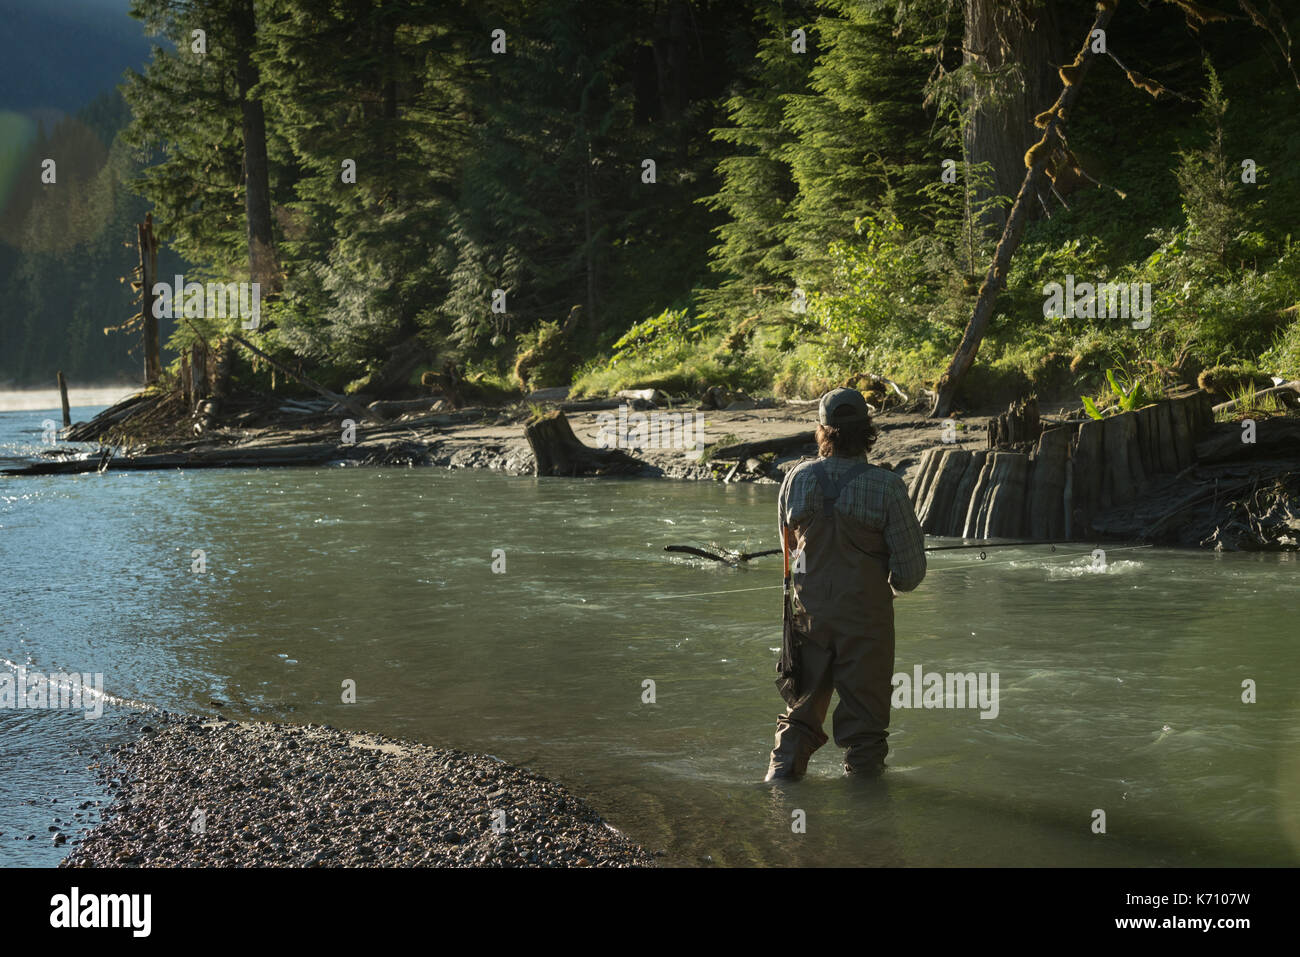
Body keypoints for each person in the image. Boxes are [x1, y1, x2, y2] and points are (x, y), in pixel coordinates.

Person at [766, 387, 926, 781]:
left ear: (823, 431)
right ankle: (866, 823)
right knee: (865, 736)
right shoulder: (888, 487)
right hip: (866, 624)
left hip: (808, 619)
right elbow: (909, 575)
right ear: (868, 430)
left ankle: (777, 800)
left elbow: (788, 555)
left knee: (799, 720)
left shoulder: (795, 479)